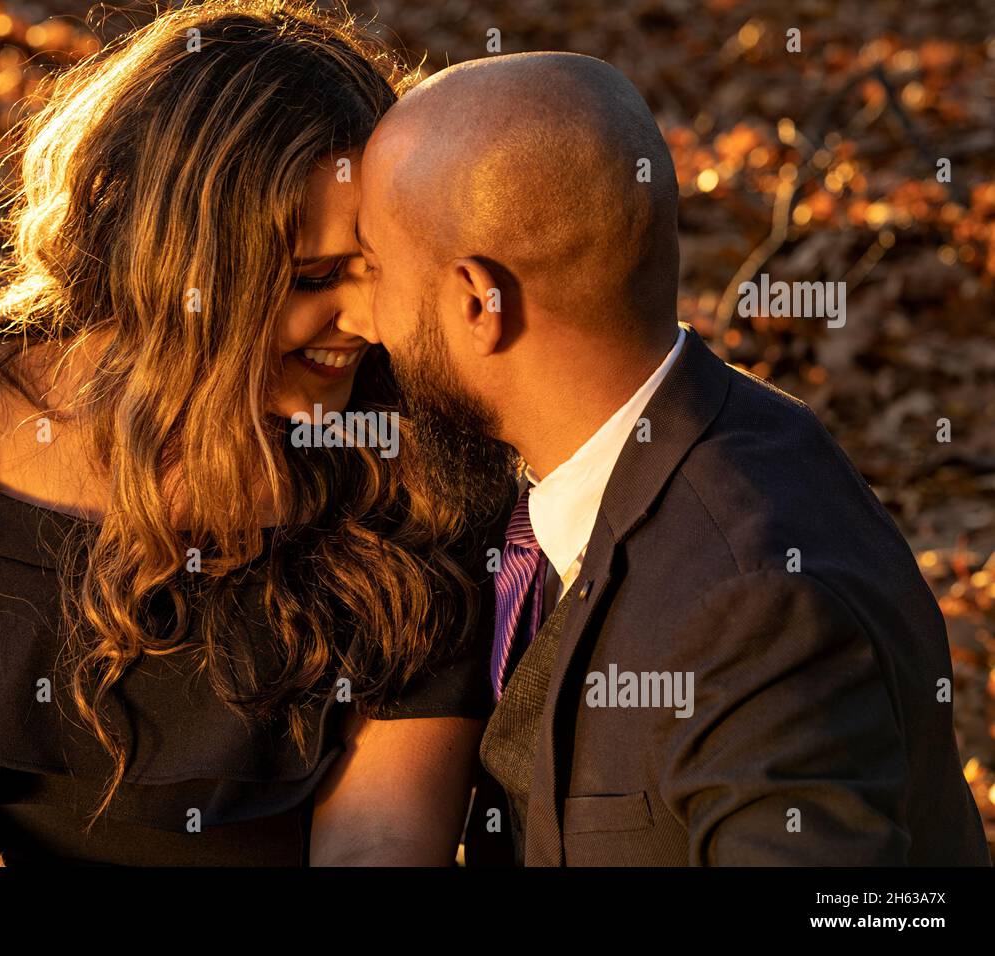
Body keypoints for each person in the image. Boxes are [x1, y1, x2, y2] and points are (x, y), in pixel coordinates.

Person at [0, 0, 517, 867]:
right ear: (174, 268)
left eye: (377, 270)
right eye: (315, 277)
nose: (366, 319)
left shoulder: (418, 451)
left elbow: (383, 840)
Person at [343, 50, 991, 865]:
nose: (363, 319)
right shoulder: (589, 479)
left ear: (480, 303)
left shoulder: (755, 605)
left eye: (375, 268)